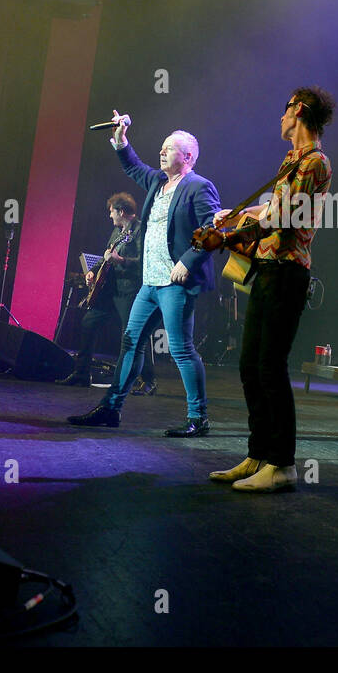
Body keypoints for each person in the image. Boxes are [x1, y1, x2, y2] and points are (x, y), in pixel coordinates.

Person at [201, 87, 334, 493]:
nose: (280, 118)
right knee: (250, 366)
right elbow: (270, 209)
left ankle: (282, 465)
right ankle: (258, 455)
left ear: (299, 111)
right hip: (268, 270)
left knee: (271, 367)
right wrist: (238, 215)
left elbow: (282, 216)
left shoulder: (315, 162)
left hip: (287, 274)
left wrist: (225, 237)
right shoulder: (291, 161)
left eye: (284, 110)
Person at [67, 113, 220, 435]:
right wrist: (121, 138)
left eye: (169, 149)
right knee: (130, 342)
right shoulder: (157, 183)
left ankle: (199, 417)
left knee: (180, 349)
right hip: (149, 282)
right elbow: (132, 165)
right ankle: (110, 408)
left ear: (188, 157)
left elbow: (213, 229)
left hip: (175, 282)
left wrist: (188, 260)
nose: (162, 152)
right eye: (162, 148)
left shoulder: (198, 187)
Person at [56, 192, 158, 393]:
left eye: (111, 212)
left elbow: (145, 264)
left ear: (121, 211)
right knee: (88, 322)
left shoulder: (140, 231)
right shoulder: (117, 231)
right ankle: (82, 374)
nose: (109, 216)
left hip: (129, 291)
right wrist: (92, 272)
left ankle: (149, 380)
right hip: (110, 289)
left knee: (132, 335)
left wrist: (121, 261)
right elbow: (106, 257)